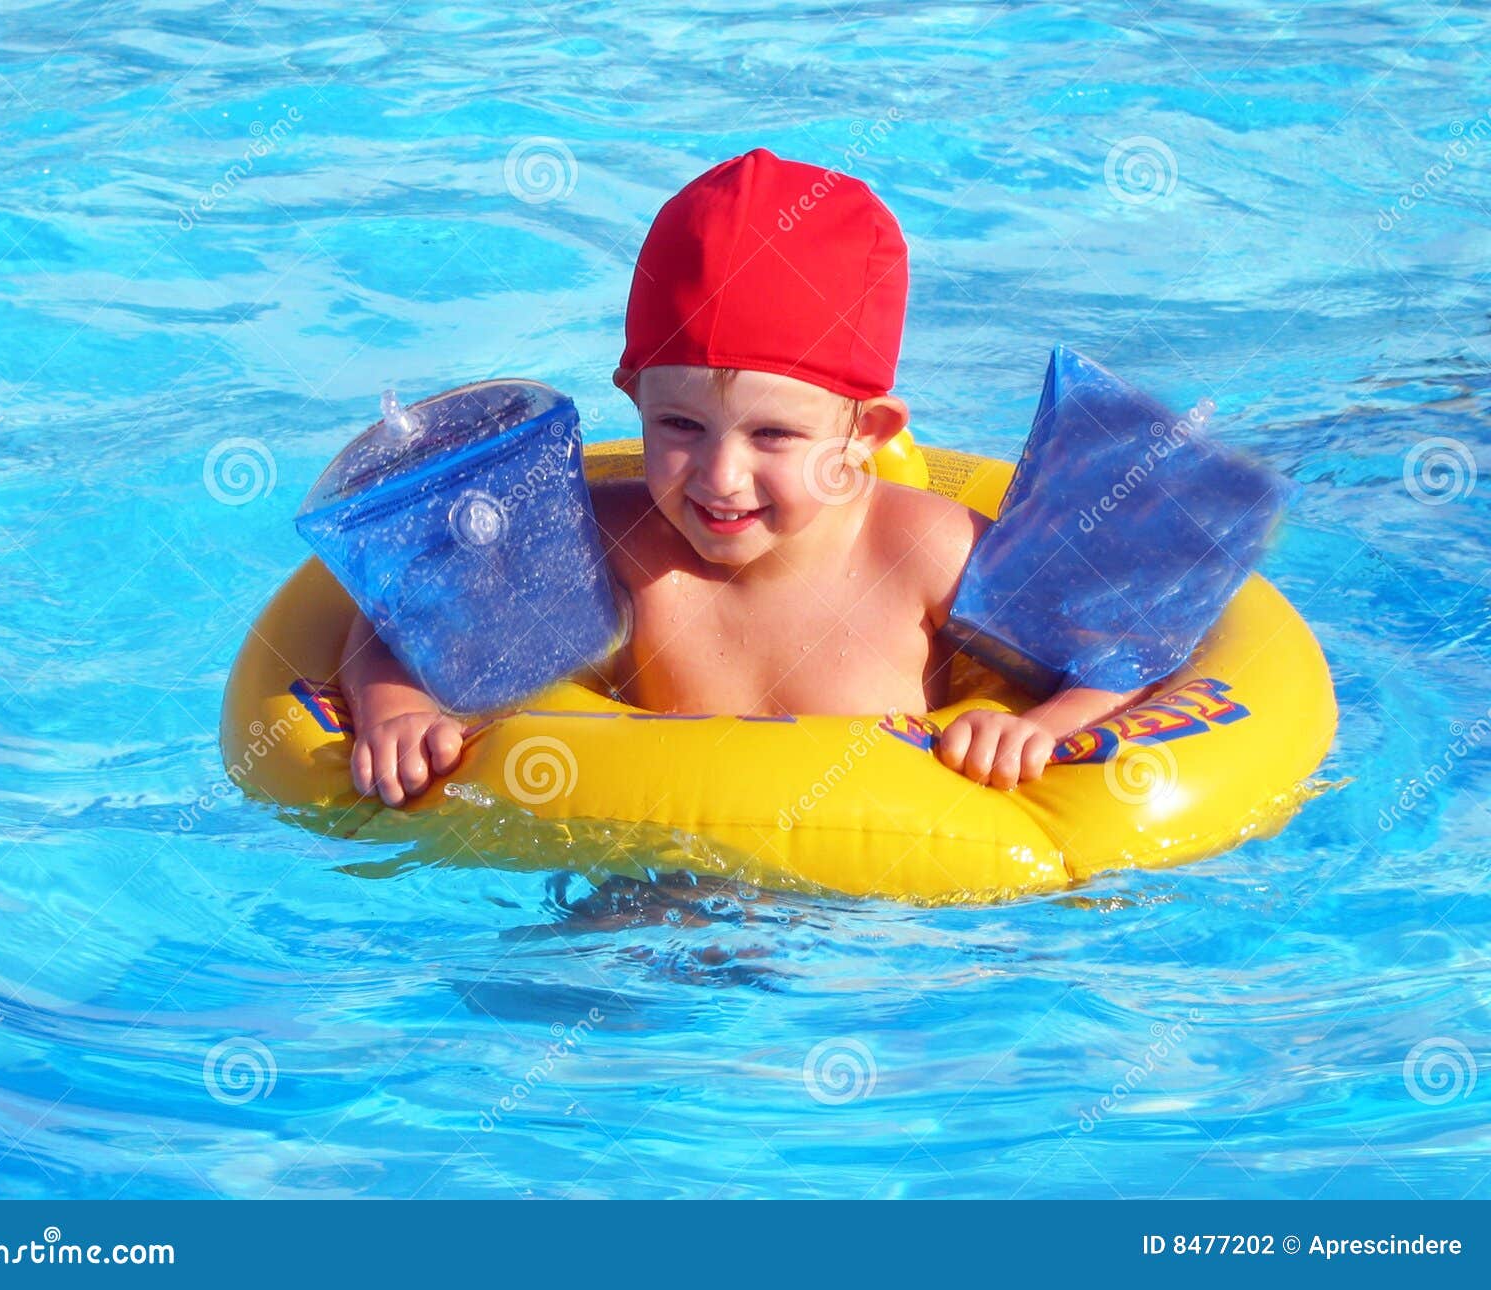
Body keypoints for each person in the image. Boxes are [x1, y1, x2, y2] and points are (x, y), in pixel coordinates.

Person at [339, 148, 1153, 808]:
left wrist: (1042, 726)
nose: (721, 476)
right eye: (681, 426)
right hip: (659, 882)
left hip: (875, 913)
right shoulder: (608, 543)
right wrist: (396, 706)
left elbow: (1123, 655)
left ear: (866, 432)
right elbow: (402, 616)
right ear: (634, 399)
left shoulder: (923, 552)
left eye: (774, 434)